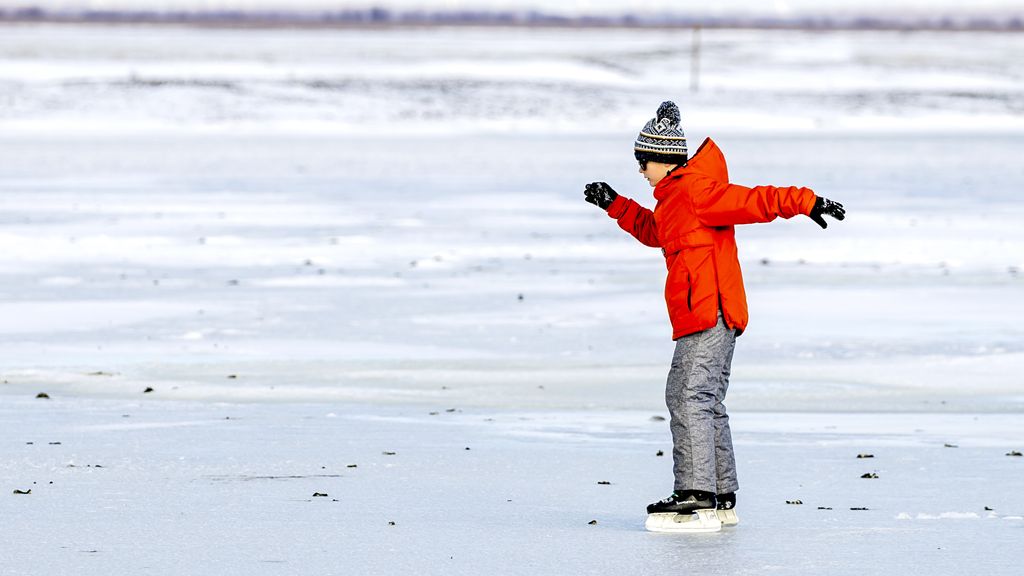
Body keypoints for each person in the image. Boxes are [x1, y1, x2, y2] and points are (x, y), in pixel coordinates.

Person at [584, 101, 845, 528]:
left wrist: (806, 201)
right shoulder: (673, 199)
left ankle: (695, 492)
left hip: (710, 312)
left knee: (686, 396)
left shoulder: (696, 191)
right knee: (706, 400)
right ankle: (721, 494)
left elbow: (753, 201)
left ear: (662, 160)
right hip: (703, 311)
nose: (640, 171)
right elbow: (656, 233)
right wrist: (616, 204)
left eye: (642, 162)